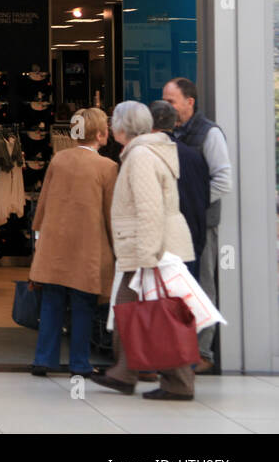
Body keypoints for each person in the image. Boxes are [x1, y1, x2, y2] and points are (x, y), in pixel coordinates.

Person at [91, 102, 197, 400]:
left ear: (122, 127)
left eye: (114, 121)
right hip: (148, 249)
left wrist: (148, 257)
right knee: (132, 309)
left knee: (156, 313)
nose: (111, 126)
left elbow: (149, 209)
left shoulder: (139, 156)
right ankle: (125, 371)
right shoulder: (146, 151)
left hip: (148, 251)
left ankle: (176, 381)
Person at [26, 107, 117, 377]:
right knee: (83, 305)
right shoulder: (108, 167)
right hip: (88, 247)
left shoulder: (59, 160)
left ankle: (43, 359)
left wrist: (38, 234)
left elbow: (42, 204)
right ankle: (79, 363)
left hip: (55, 243)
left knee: (52, 302)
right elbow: (110, 212)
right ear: (100, 135)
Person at [161, 77, 231, 369]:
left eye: (171, 101)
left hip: (201, 225)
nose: (167, 106)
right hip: (175, 224)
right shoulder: (170, 134)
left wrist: (194, 205)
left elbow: (223, 180)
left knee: (202, 285)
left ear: (190, 102)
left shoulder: (209, 134)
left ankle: (203, 353)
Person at [150, 100, 209, 281]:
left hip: (158, 248)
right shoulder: (194, 156)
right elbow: (203, 199)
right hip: (190, 244)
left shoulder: (144, 154)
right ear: (175, 123)